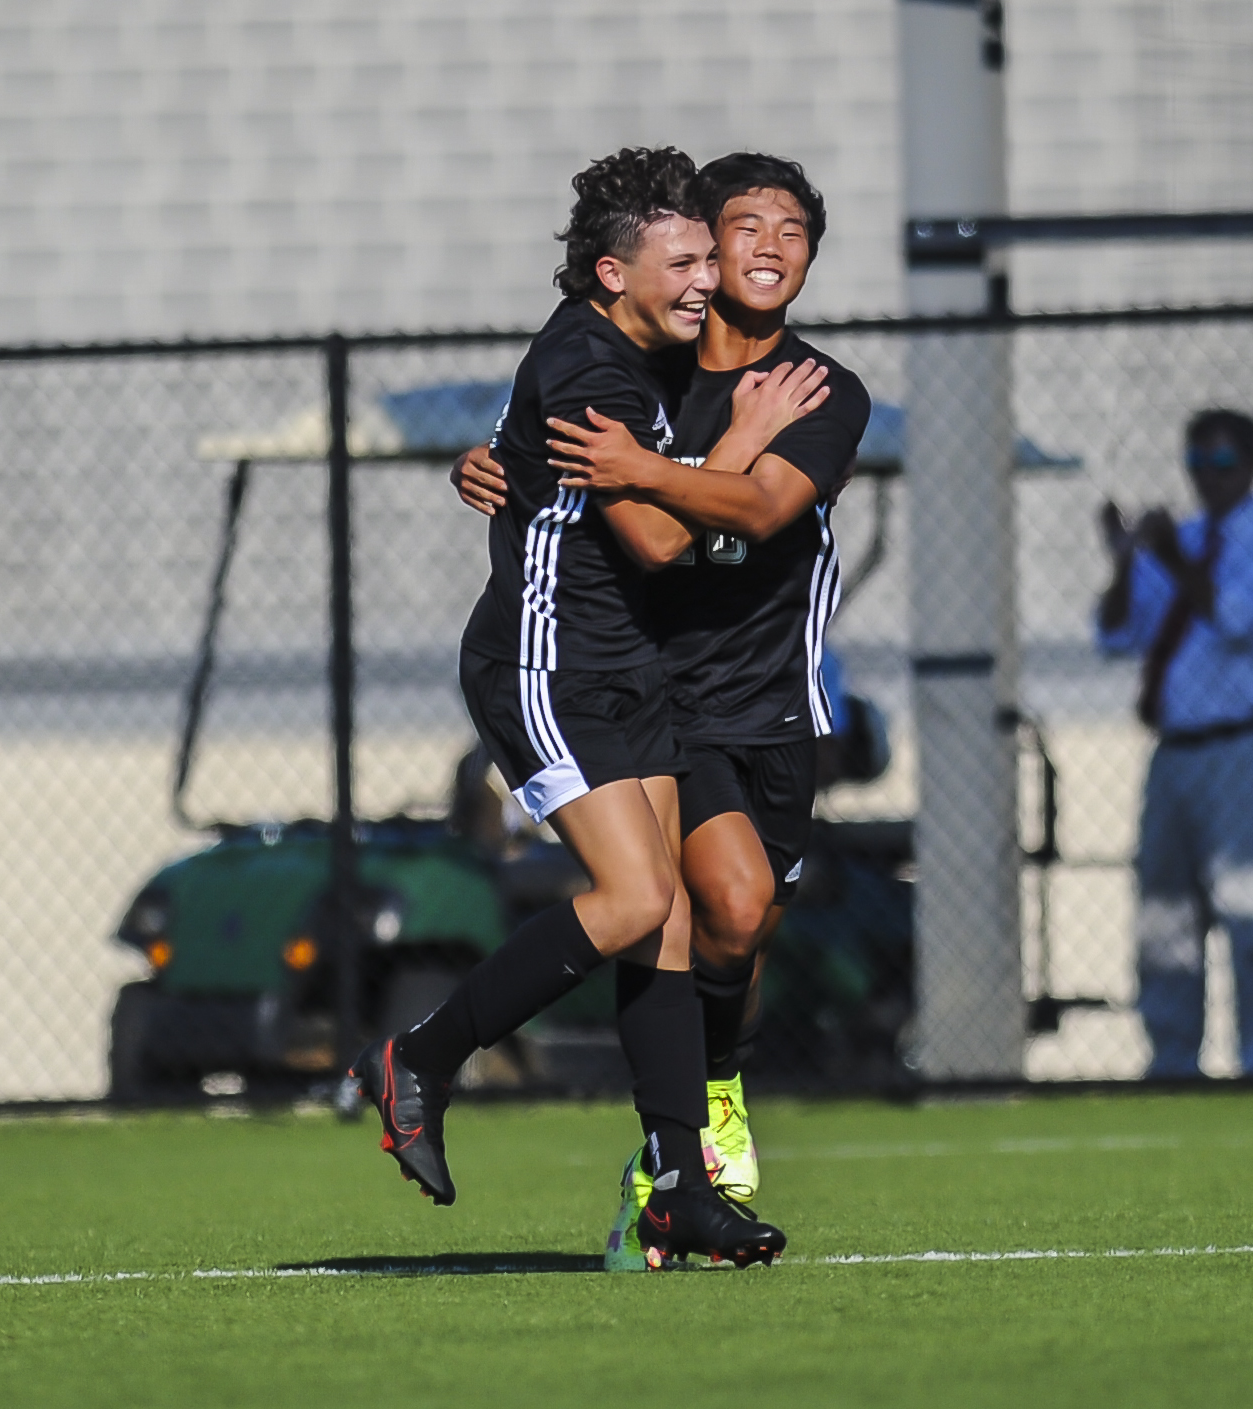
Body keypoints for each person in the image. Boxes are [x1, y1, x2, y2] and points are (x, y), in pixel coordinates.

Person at [354, 146, 826, 1272]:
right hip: (548, 661)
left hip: (627, 664)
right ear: (612, 275)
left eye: (712, 255)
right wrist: (742, 443)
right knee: (630, 899)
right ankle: (421, 1052)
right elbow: (659, 537)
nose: (710, 276)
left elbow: (551, 467)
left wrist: (499, 463)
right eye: (686, 259)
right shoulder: (598, 368)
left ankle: (675, 1186)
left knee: (661, 916)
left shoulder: (640, 352)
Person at [1095, 409, 1253, 1078]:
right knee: (1165, 918)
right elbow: (1116, 634)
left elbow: (1238, 620)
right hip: (1173, 754)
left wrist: (1166, 557)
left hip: (1246, 748)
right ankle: (1171, 1062)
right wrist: (1124, 560)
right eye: (1197, 465)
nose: (1207, 480)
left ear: (1250, 465)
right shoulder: (1180, 539)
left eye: (1221, 465)